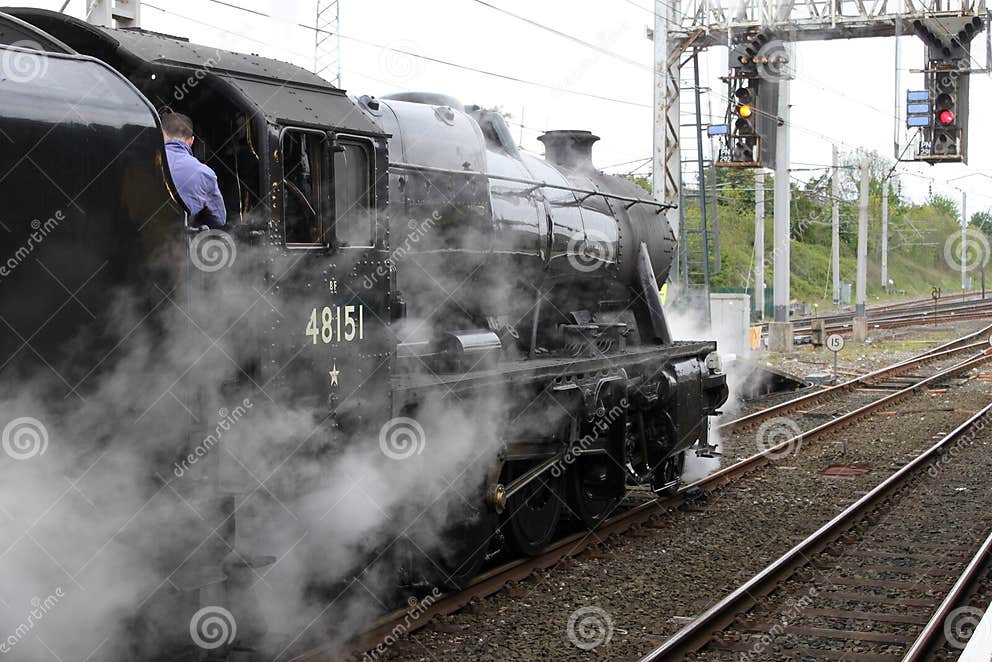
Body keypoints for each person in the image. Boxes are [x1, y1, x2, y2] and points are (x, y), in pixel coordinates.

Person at [161, 112, 227, 228]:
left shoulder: (140, 161)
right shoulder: (206, 174)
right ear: (191, 141)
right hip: (175, 242)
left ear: (161, 133)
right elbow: (219, 220)